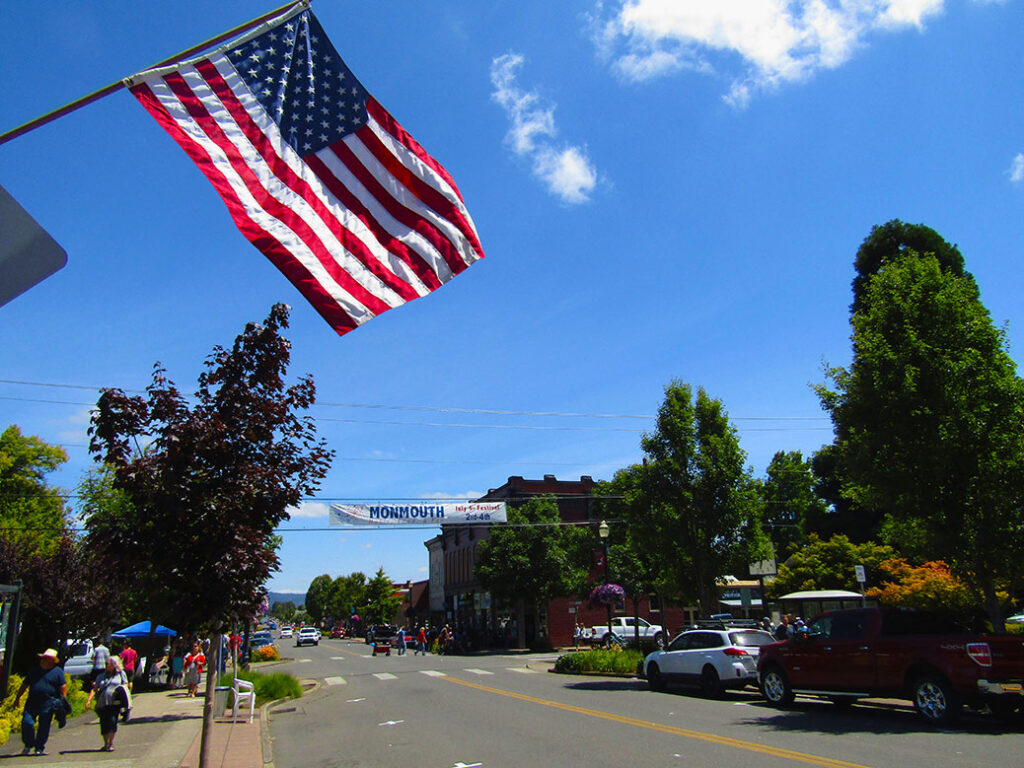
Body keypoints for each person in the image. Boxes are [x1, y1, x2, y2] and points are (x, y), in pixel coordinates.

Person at [13, 648, 67, 756]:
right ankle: (28, 744)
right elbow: (24, 685)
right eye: (43, 658)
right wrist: (17, 698)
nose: (43, 660)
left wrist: (63, 701)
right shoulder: (34, 670)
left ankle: (39, 747)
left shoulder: (57, 672)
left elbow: (63, 686)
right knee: (27, 723)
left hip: (48, 703)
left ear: (52, 660)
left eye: (46, 658)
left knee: (44, 726)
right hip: (32, 702)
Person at [85, 656, 129, 752]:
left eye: (107, 664)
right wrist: (89, 700)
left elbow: (125, 686)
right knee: (104, 723)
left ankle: (110, 743)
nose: (106, 666)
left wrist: (124, 698)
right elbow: (95, 688)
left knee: (112, 722)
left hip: (114, 703)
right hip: (102, 703)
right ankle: (105, 744)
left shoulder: (121, 674)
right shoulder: (101, 676)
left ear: (114, 665)